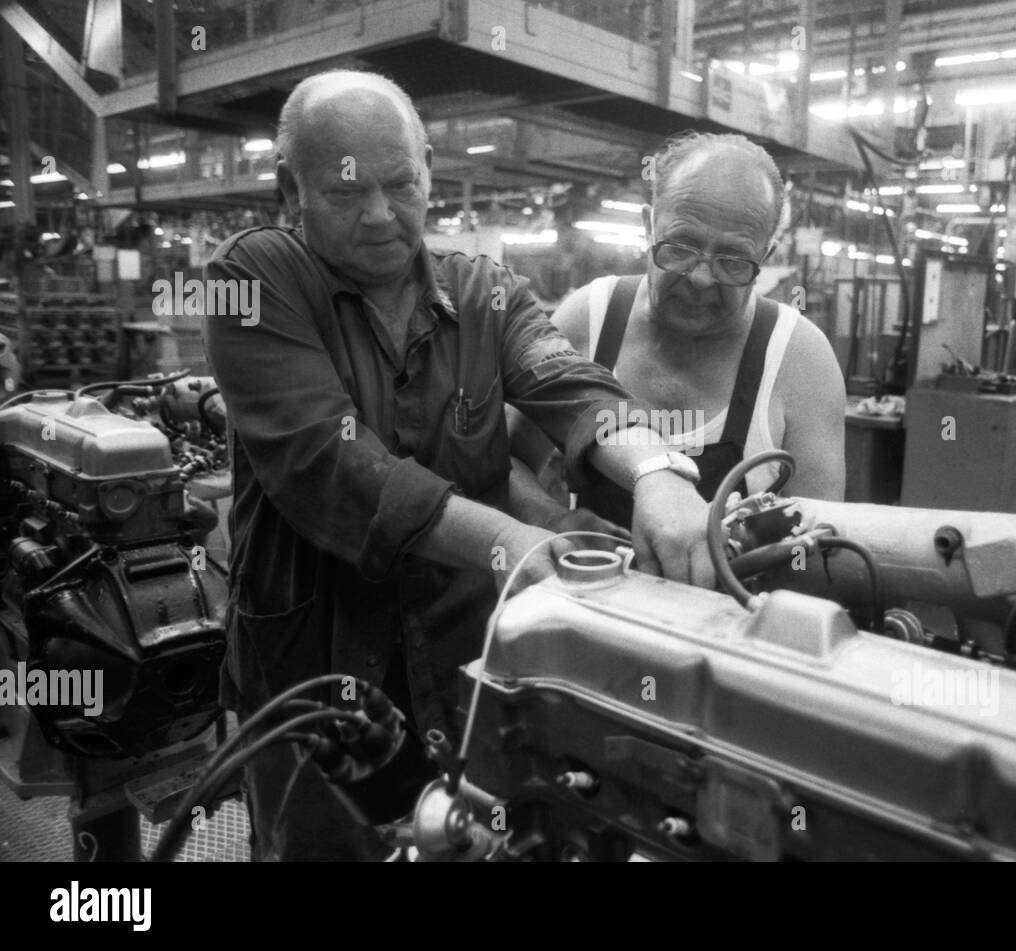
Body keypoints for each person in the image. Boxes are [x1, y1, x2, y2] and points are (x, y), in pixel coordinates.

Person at [202, 70, 714, 860]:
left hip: (456, 667)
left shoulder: (488, 294)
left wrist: (655, 471)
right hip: (315, 684)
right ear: (288, 191)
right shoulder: (256, 279)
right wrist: (518, 543)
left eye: (401, 185)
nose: (380, 216)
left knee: (465, 840)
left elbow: (570, 387)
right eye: (346, 194)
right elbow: (332, 465)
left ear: (430, 175)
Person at [509, 131, 846, 530]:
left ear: (765, 257)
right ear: (649, 226)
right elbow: (504, 460)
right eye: (682, 246)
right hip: (593, 589)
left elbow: (819, 539)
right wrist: (552, 521)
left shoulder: (800, 358)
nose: (702, 278)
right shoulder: (589, 318)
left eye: (733, 260)